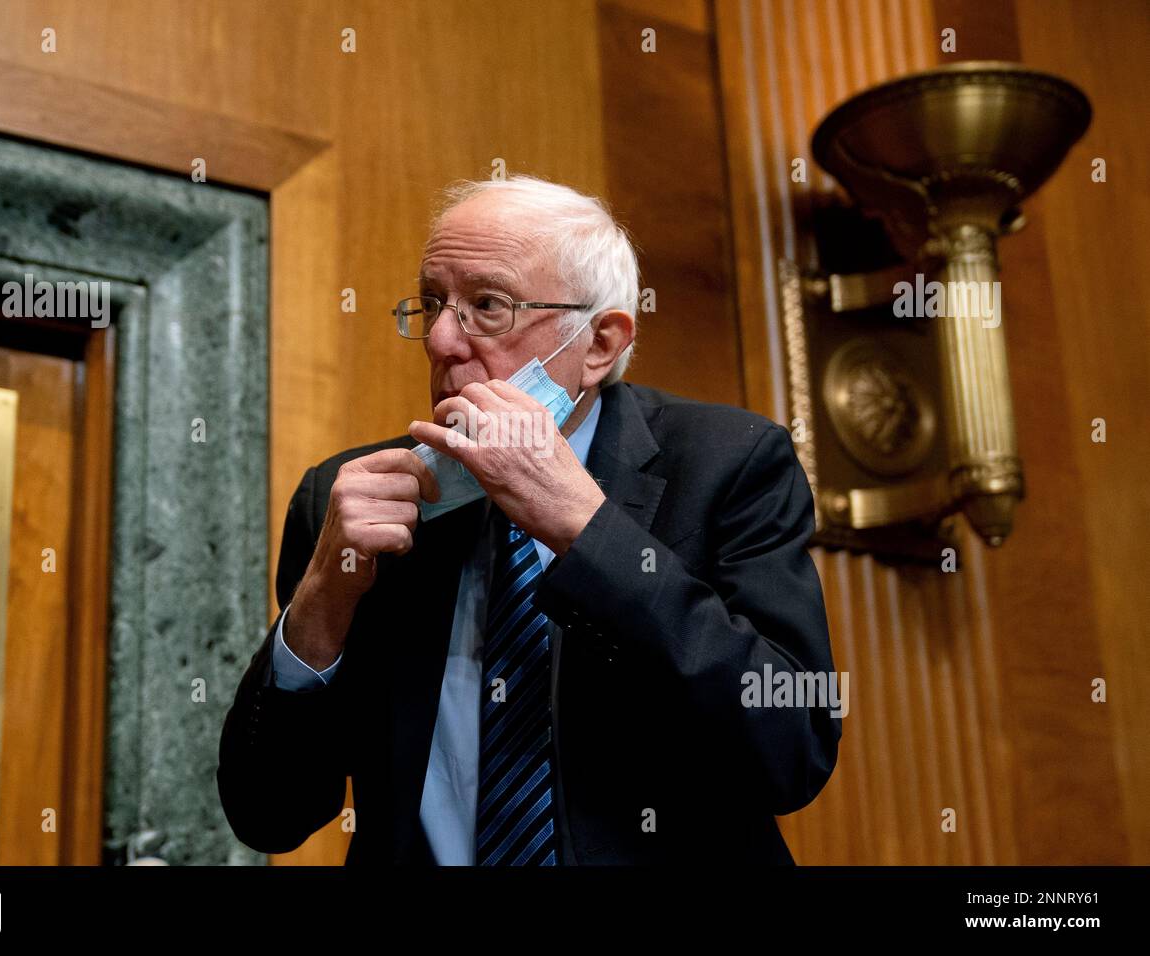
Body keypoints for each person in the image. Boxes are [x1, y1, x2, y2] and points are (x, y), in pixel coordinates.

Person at [217, 175, 841, 865]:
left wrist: (587, 531)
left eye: (488, 305)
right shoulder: (348, 500)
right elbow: (267, 814)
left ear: (599, 343)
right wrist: (321, 604)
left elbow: (793, 749)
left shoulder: (730, 465)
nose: (443, 341)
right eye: (432, 304)